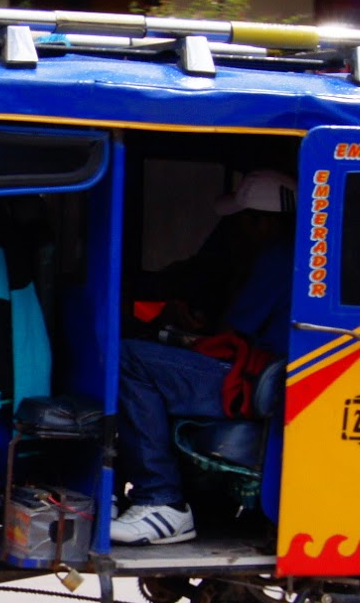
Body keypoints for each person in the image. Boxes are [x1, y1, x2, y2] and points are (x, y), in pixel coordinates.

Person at [112, 170, 296, 545]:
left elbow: (234, 327)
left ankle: (161, 499)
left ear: (262, 222)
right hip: (258, 368)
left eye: (242, 221)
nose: (236, 231)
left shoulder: (278, 257)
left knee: (129, 357)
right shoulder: (289, 252)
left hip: (257, 376)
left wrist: (185, 322)